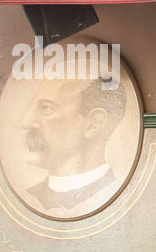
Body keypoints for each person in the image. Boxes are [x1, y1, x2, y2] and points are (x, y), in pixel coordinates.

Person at [20, 74, 129, 218]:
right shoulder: (27, 199)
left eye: (45, 108)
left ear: (93, 124)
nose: (26, 122)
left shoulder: (121, 199)